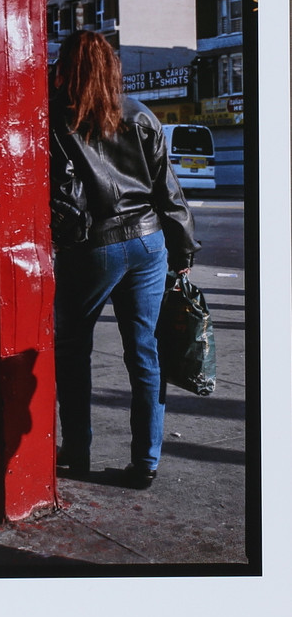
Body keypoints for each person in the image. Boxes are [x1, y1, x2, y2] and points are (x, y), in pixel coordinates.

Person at [49, 30, 200, 489]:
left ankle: (77, 453)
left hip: (95, 247)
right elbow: (168, 191)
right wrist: (184, 250)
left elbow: (63, 194)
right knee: (144, 353)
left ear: (67, 69)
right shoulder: (141, 115)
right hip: (149, 243)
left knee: (74, 350)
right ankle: (146, 461)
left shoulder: (60, 120)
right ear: (112, 69)